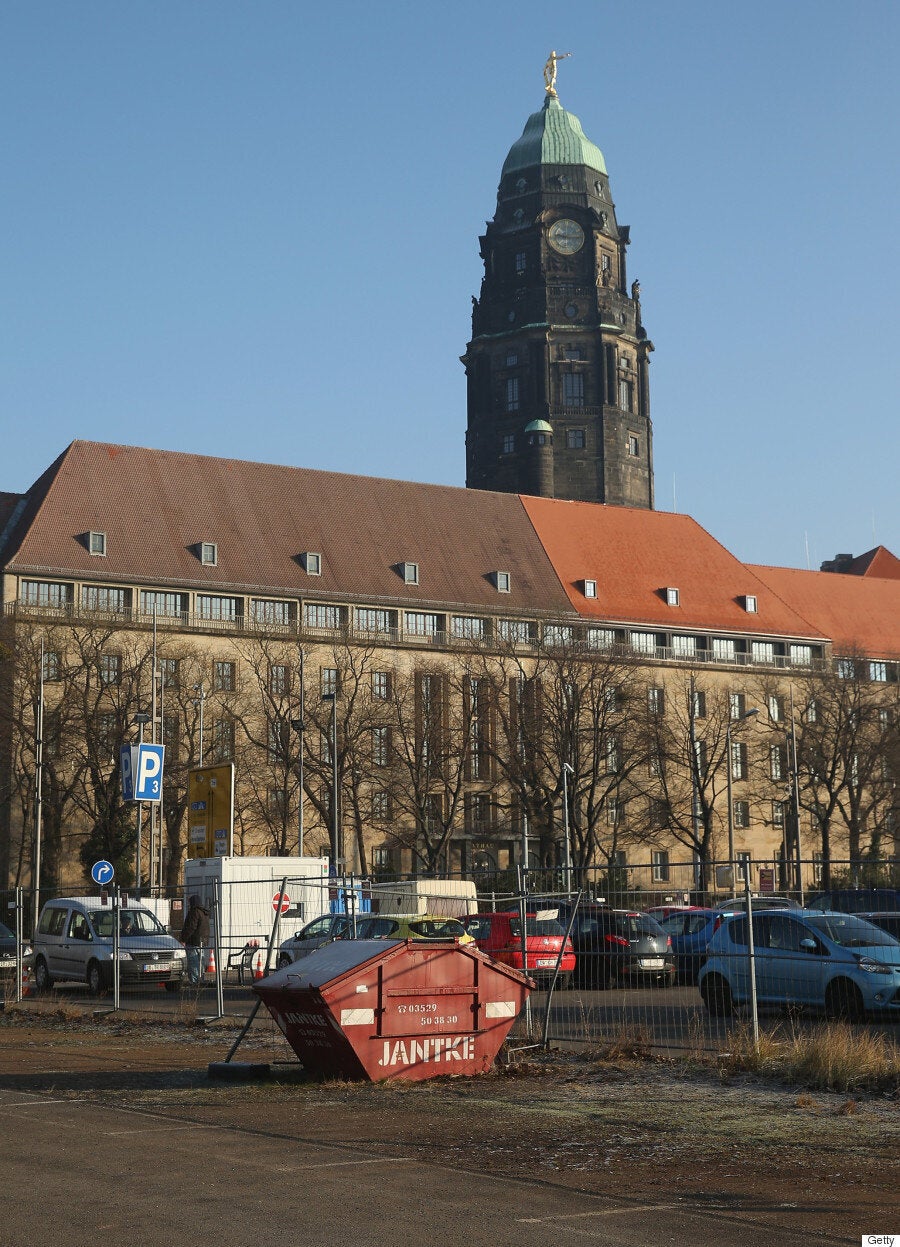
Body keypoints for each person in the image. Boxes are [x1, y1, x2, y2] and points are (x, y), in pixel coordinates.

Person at [179, 894, 211, 985]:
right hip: (203, 941)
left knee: (193, 962)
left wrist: (183, 939)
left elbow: (190, 927)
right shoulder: (205, 913)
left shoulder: (194, 912)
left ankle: (194, 981)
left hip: (193, 941)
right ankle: (200, 979)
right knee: (200, 961)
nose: (188, 904)